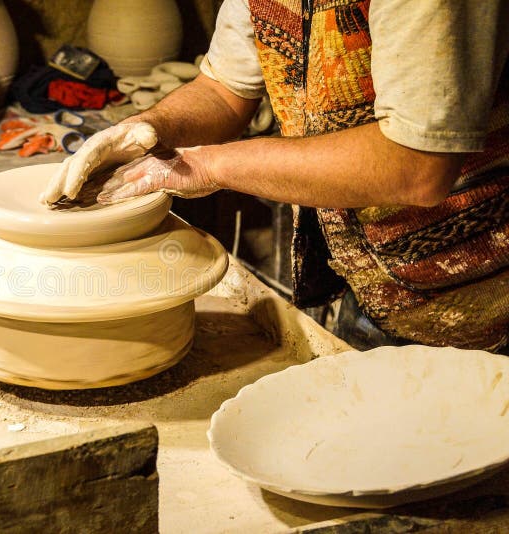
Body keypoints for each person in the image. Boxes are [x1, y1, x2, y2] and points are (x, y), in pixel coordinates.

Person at [41, 0, 509, 352]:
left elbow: (417, 166)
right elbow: (224, 90)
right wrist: (145, 128)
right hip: (376, 282)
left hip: (485, 293)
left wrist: (210, 164)